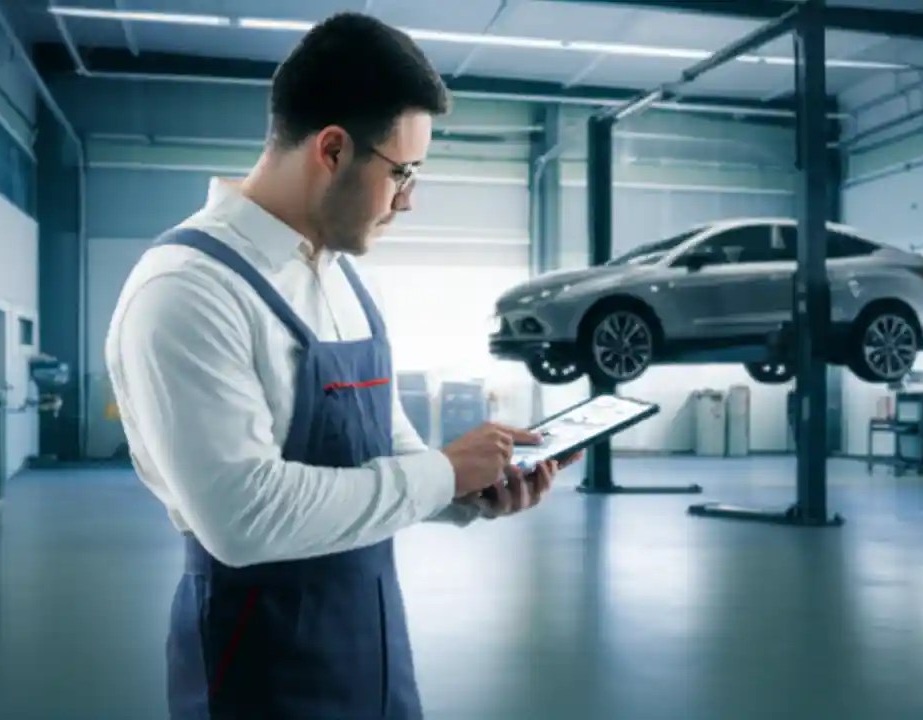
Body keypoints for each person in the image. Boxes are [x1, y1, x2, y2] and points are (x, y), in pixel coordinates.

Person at [104, 12, 579, 719]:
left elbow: (388, 446)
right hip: (256, 664)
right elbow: (243, 517)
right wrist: (443, 472)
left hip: (374, 641)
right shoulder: (186, 289)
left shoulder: (347, 278)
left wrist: (468, 494)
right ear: (331, 149)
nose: (409, 200)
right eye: (404, 171)